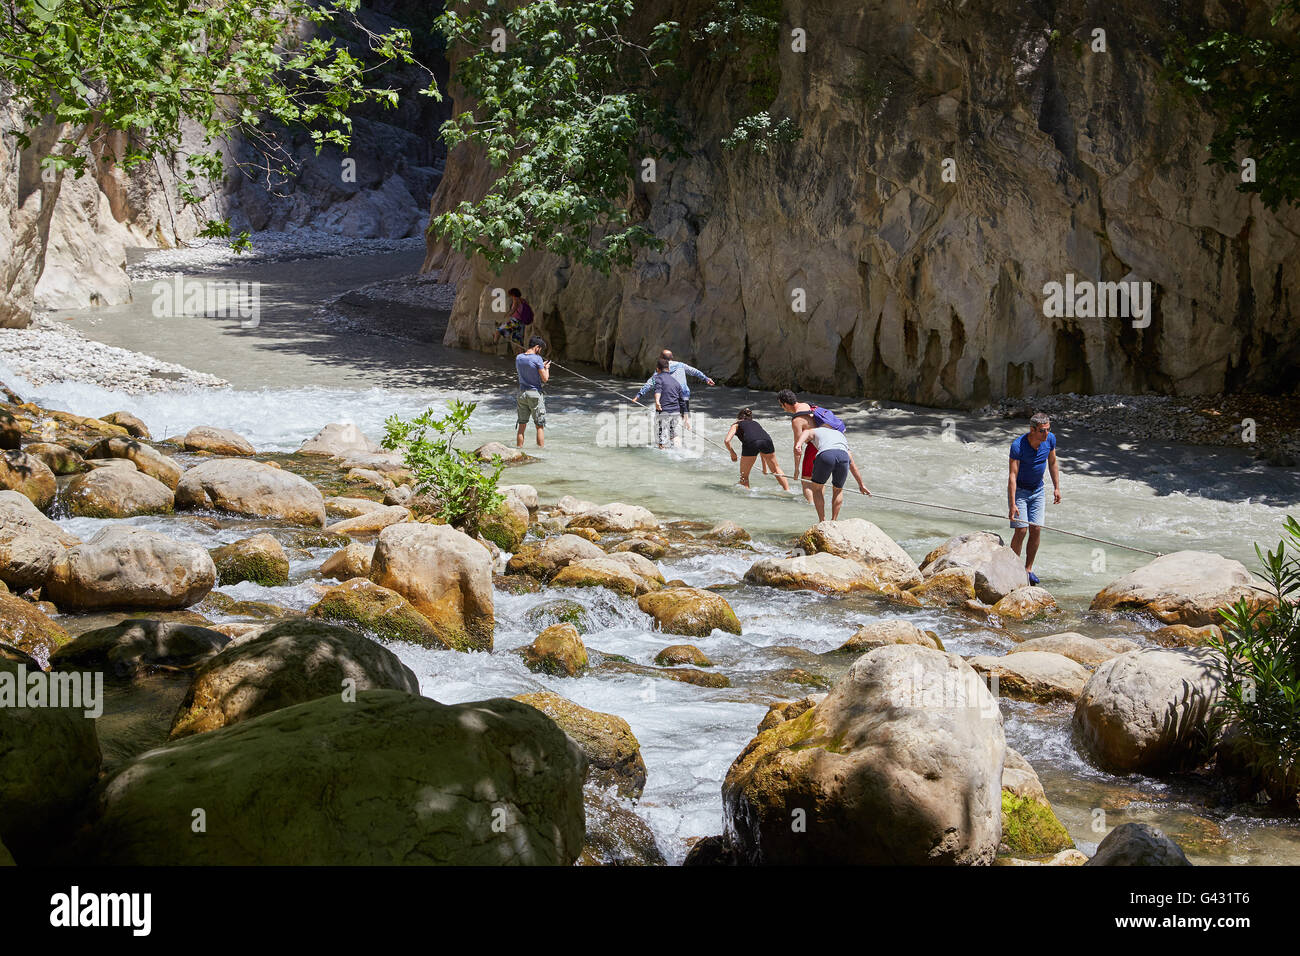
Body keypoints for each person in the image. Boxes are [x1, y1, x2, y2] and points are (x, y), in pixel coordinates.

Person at [1007, 412, 1061, 585]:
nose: (1046, 434)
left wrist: (1057, 488)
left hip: (1038, 490)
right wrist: (1013, 503)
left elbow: (1052, 462)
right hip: (1021, 491)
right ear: (1032, 429)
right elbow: (1012, 476)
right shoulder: (1018, 446)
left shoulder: (1050, 440)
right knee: (1021, 530)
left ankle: (1028, 569)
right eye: (1042, 431)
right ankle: (1012, 568)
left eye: (1048, 430)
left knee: (1036, 529)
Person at [777, 389, 847, 506]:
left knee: (806, 481)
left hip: (815, 447)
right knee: (820, 481)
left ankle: (812, 506)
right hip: (831, 443)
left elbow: (797, 447)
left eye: (781, 405)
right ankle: (820, 501)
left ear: (785, 404)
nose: (783, 409)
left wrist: (796, 469)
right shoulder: (807, 405)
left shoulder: (797, 420)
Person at [793, 423, 870, 521]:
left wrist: (798, 444)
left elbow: (806, 432)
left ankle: (822, 521)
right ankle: (834, 521)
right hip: (843, 456)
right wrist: (861, 485)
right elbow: (852, 465)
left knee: (817, 489)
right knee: (838, 490)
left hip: (826, 455)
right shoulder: (840, 435)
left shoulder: (816, 430)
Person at [633, 349, 714, 428]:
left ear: (661, 358)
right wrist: (706, 379)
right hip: (684, 395)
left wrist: (638, 396)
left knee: (667, 422)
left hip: (670, 397)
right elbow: (694, 371)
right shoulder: (681, 365)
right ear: (672, 357)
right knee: (684, 419)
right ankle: (687, 428)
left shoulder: (660, 369)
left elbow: (650, 383)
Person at [724, 408, 791, 491]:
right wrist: (764, 468)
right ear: (751, 417)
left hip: (750, 443)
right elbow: (760, 444)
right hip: (767, 440)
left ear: (738, 417)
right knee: (776, 469)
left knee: (744, 476)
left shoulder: (736, 424)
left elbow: (727, 441)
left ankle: (747, 495)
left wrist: (732, 453)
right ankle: (787, 490)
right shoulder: (755, 423)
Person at [515, 336, 550, 448]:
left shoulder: (519, 358)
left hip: (521, 394)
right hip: (534, 394)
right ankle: (541, 452)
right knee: (539, 426)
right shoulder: (537, 359)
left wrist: (540, 366)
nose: (540, 351)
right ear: (536, 347)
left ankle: (518, 450)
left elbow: (528, 369)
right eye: (540, 349)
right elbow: (545, 379)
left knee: (521, 426)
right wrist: (546, 368)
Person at [652, 357, 686, 448]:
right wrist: (683, 414)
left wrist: (657, 401)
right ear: (669, 369)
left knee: (660, 434)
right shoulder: (676, 382)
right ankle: (679, 450)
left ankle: (661, 448)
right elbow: (682, 400)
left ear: (657, 369)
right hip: (676, 411)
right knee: (672, 432)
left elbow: (658, 390)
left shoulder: (658, 378)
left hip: (663, 411)